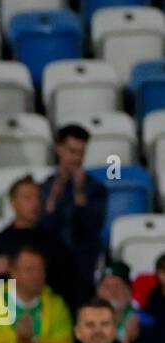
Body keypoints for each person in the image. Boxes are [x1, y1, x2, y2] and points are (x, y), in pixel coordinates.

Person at [0, 175, 85, 311]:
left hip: (46, 314)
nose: (35, 203)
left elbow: (73, 286)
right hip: (1, 315)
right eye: (27, 198)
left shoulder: (54, 243)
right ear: (13, 203)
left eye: (38, 198)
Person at [40, 125, 108, 296]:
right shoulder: (44, 188)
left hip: (83, 270)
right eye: (72, 151)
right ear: (59, 149)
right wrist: (55, 192)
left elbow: (92, 226)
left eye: (81, 152)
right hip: (50, 270)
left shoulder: (96, 189)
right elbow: (42, 226)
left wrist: (79, 194)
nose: (77, 158)